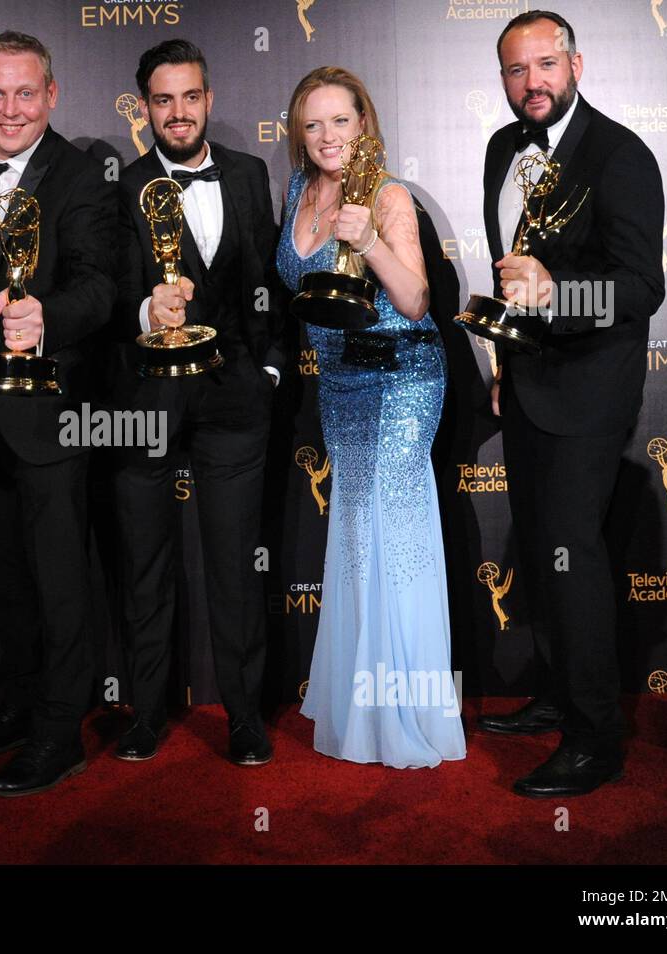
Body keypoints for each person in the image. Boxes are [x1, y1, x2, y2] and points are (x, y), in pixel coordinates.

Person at [475, 11, 664, 797]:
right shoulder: (500, 147)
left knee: (573, 554)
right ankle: (557, 694)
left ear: (576, 64)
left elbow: (643, 286)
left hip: (589, 389)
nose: (533, 83)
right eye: (517, 71)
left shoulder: (620, 154)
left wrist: (557, 296)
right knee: (546, 550)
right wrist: (505, 351)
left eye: (546, 64)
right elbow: (516, 262)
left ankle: (596, 739)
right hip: (525, 381)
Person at [0, 31, 116, 797]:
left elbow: (100, 285)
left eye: (25, 93)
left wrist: (46, 316)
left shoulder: (78, 177)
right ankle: (10, 709)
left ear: (51, 95)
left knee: (58, 584)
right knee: (2, 581)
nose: (10, 109)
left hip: (46, 413)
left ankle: (57, 735)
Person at [276, 67, 466, 768]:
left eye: (340, 121)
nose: (328, 136)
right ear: (300, 132)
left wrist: (374, 240)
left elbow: (417, 301)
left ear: (366, 125)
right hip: (339, 384)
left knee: (396, 533)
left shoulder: (387, 195)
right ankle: (362, 701)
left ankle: (407, 716)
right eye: (313, 123)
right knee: (357, 535)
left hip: (400, 380)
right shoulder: (298, 190)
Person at [111, 39, 286, 765]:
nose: (177, 113)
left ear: (209, 100)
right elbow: (109, 289)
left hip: (235, 399)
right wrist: (151, 313)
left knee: (234, 563)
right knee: (145, 564)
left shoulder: (247, 174)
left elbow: (269, 279)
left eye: (189, 97)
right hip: (144, 401)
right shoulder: (119, 186)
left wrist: (272, 367)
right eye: (162, 100)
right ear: (143, 108)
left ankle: (244, 715)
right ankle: (146, 713)